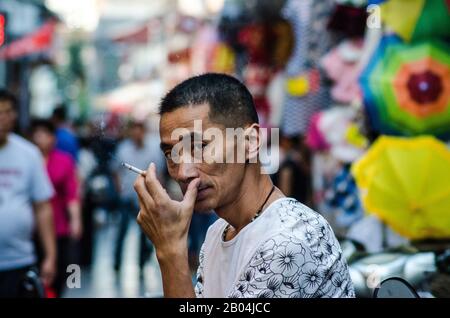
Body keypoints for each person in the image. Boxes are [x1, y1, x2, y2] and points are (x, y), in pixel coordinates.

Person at [133, 74, 355, 298]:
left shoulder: (288, 241)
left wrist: (170, 250)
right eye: (172, 154)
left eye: (199, 146)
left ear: (250, 142)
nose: (183, 172)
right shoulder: (218, 232)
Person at [0, 89, 56, 297]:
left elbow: (42, 207)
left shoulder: (28, 154)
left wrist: (50, 256)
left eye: (6, 112)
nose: (1, 118)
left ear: (14, 116)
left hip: (19, 260)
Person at [30, 119, 82, 297]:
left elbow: (72, 195)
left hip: (58, 228)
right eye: (36, 133)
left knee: (59, 273)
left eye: (44, 133)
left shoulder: (63, 160)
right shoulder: (28, 160)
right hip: (30, 230)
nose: (39, 137)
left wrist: (75, 220)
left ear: (53, 138)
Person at [112, 120, 165, 276]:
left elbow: (159, 173)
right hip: (127, 197)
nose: (137, 133)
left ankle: (141, 265)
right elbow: (115, 171)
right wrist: (119, 190)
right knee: (122, 232)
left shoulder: (153, 150)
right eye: (134, 130)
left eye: (139, 130)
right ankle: (117, 264)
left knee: (145, 234)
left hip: (145, 198)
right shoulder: (123, 149)